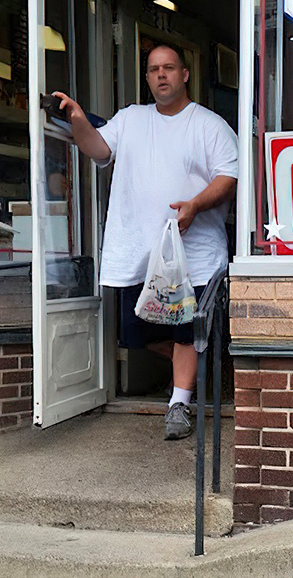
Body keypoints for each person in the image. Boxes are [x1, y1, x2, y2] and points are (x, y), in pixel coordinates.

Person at [54, 44, 237, 440]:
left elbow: (228, 178)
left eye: (168, 67)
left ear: (184, 74)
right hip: (140, 251)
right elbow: (98, 149)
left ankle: (178, 403)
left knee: (185, 330)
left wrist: (195, 205)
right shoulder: (131, 119)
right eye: (154, 69)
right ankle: (201, 368)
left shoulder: (209, 125)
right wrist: (78, 119)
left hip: (193, 254)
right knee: (139, 333)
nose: (161, 75)